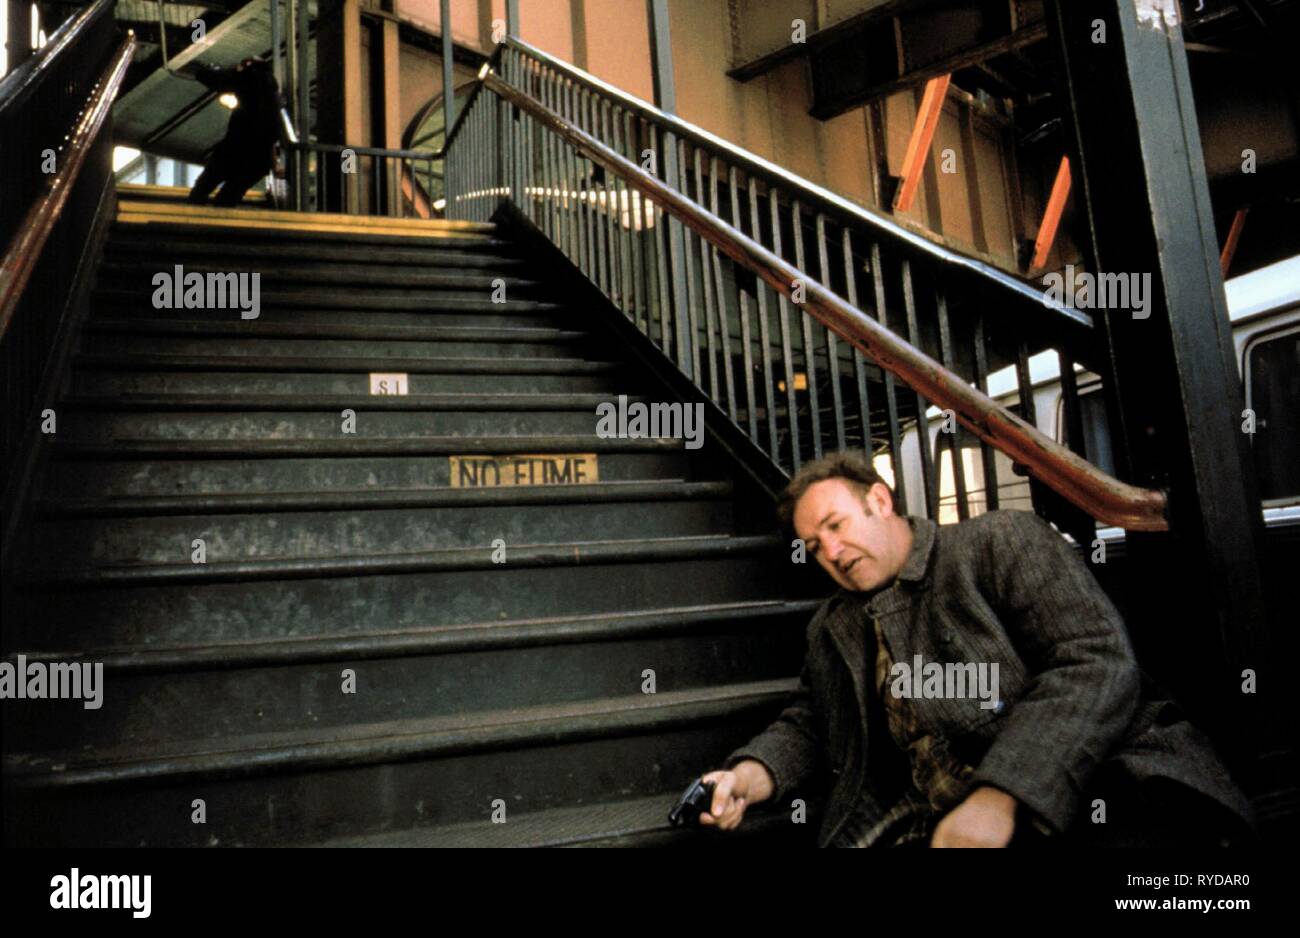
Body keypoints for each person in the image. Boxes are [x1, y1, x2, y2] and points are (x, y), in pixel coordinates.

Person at [697, 450, 1256, 847]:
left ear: (880, 499)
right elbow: (812, 725)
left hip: (1093, 794)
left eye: (837, 525)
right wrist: (746, 777)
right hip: (921, 823)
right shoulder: (831, 626)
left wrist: (1001, 796)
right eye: (815, 546)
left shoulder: (995, 544)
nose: (833, 552)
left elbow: (1093, 663)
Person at [184, 57, 284, 207]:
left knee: (202, 188)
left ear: (246, 65)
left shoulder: (250, 76)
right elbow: (272, 136)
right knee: (230, 196)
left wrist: (200, 71)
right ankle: (218, 225)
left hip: (235, 149)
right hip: (259, 160)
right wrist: (273, 163)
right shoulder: (273, 92)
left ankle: (191, 221)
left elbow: (220, 80)